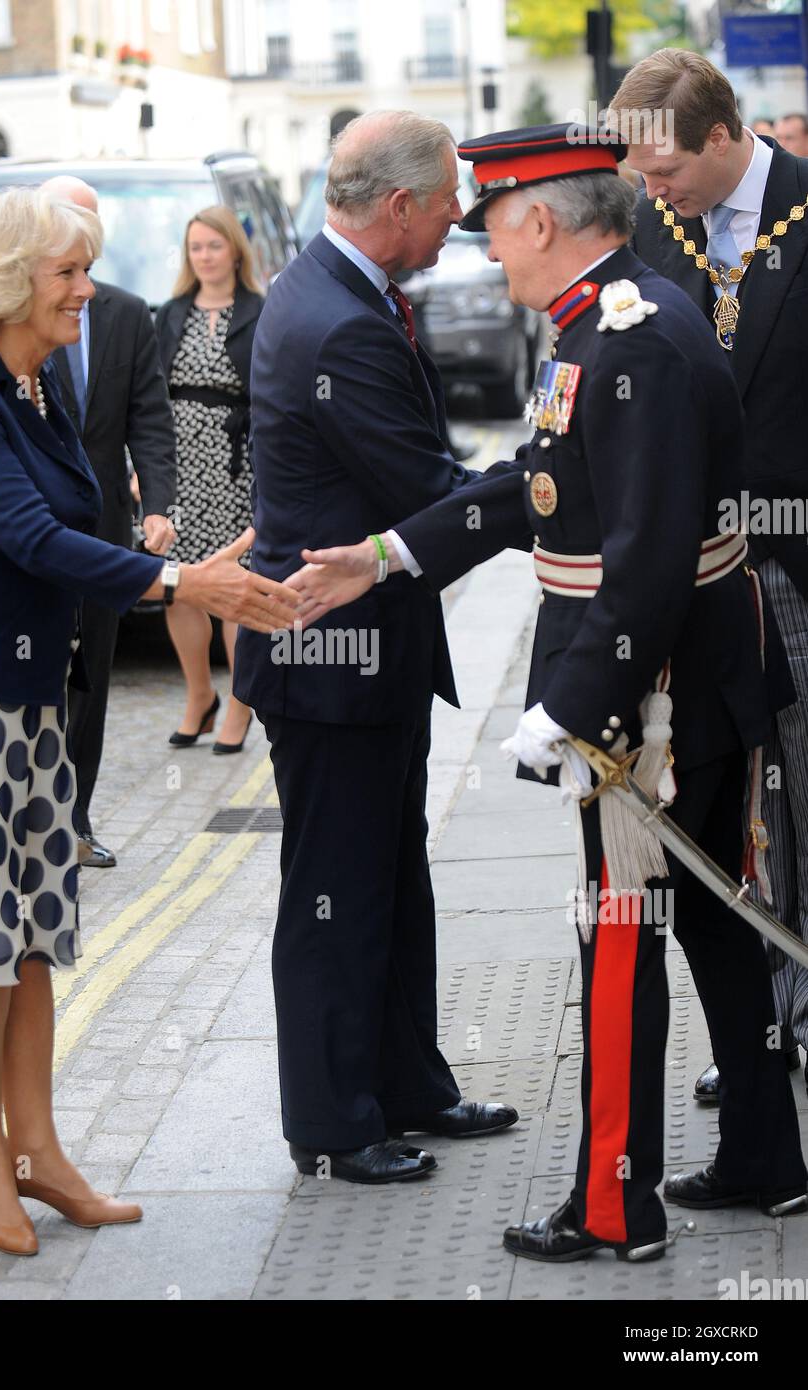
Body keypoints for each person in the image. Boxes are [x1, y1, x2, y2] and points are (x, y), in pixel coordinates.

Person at [286, 124, 808, 1256]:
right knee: (717, 924)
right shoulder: (606, 323)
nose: (487, 255)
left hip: (655, 697)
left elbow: (652, 558)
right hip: (684, 677)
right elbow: (532, 488)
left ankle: (616, 1206)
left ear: (540, 222)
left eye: (495, 230)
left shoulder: (633, 341)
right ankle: (770, 1154)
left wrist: (578, 706)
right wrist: (385, 556)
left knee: (618, 934)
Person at [0, 186, 297, 1258]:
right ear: (11, 284)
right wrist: (182, 580)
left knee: (38, 930)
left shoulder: (36, 386)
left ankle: (40, 1150)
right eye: (67, 274)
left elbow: (66, 529)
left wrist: (174, 565)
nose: (88, 290)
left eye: (85, 271)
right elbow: (32, 537)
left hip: (29, 693)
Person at [234, 110, 519, 1186]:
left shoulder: (339, 290)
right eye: (449, 201)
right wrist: (546, 484)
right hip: (330, 659)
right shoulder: (340, 322)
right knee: (334, 893)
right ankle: (335, 1121)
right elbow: (425, 490)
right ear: (399, 205)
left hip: (369, 648)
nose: (460, 219)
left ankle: (408, 1086)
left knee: (393, 879)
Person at [612, 49, 808, 1103]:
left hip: (800, 564)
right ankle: (762, 1038)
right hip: (702, 576)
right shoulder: (656, 230)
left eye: (665, 171)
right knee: (734, 811)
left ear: (723, 136)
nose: (653, 193)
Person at [42, 175, 177, 870]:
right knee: (35, 674)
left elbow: (149, 417)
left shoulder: (126, 314)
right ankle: (26, 823)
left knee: (91, 676)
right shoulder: (17, 313)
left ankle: (75, 822)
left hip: (102, 527)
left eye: (88, 225)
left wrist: (156, 504)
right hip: (31, 533)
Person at [155, 207, 263, 754]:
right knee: (181, 590)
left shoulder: (260, 312)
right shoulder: (170, 314)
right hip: (179, 469)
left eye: (213, 246)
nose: (204, 256)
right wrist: (141, 475)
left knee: (233, 592)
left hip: (236, 466)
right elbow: (147, 402)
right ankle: (199, 697)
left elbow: (271, 397)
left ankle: (239, 707)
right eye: (195, 247)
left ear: (234, 251)